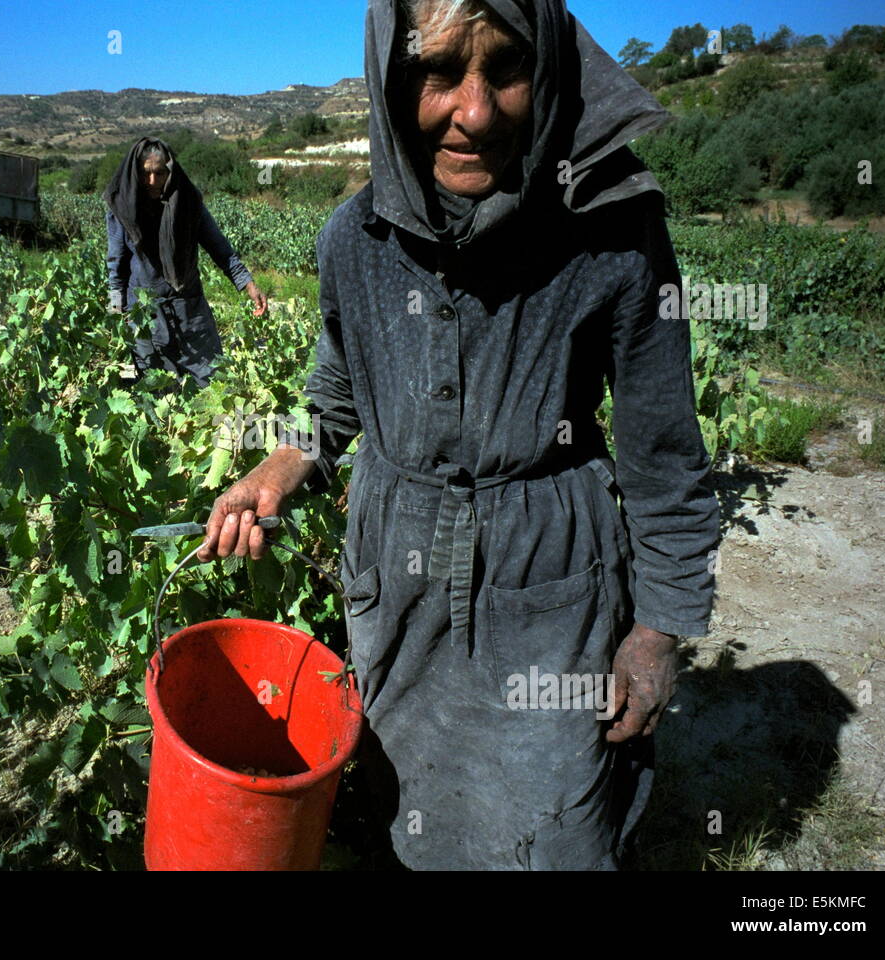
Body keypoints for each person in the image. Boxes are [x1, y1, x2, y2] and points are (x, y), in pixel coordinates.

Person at [197, 0, 720, 870]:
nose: (472, 112)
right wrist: (280, 466)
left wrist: (656, 633)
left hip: (549, 588)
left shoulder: (613, 231)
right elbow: (336, 396)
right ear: (393, 80)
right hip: (394, 584)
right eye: (439, 70)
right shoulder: (351, 241)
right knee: (403, 810)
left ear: (549, 68)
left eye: (505, 69)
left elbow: (663, 454)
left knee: (553, 826)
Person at [105, 137, 268, 389]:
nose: (152, 181)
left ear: (169, 171)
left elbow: (219, 248)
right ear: (135, 173)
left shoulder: (189, 203)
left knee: (212, 382)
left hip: (189, 309)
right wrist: (117, 309)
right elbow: (117, 263)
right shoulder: (122, 208)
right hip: (146, 314)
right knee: (158, 392)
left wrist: (247, 283)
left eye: (159, 173)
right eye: (145, 173)